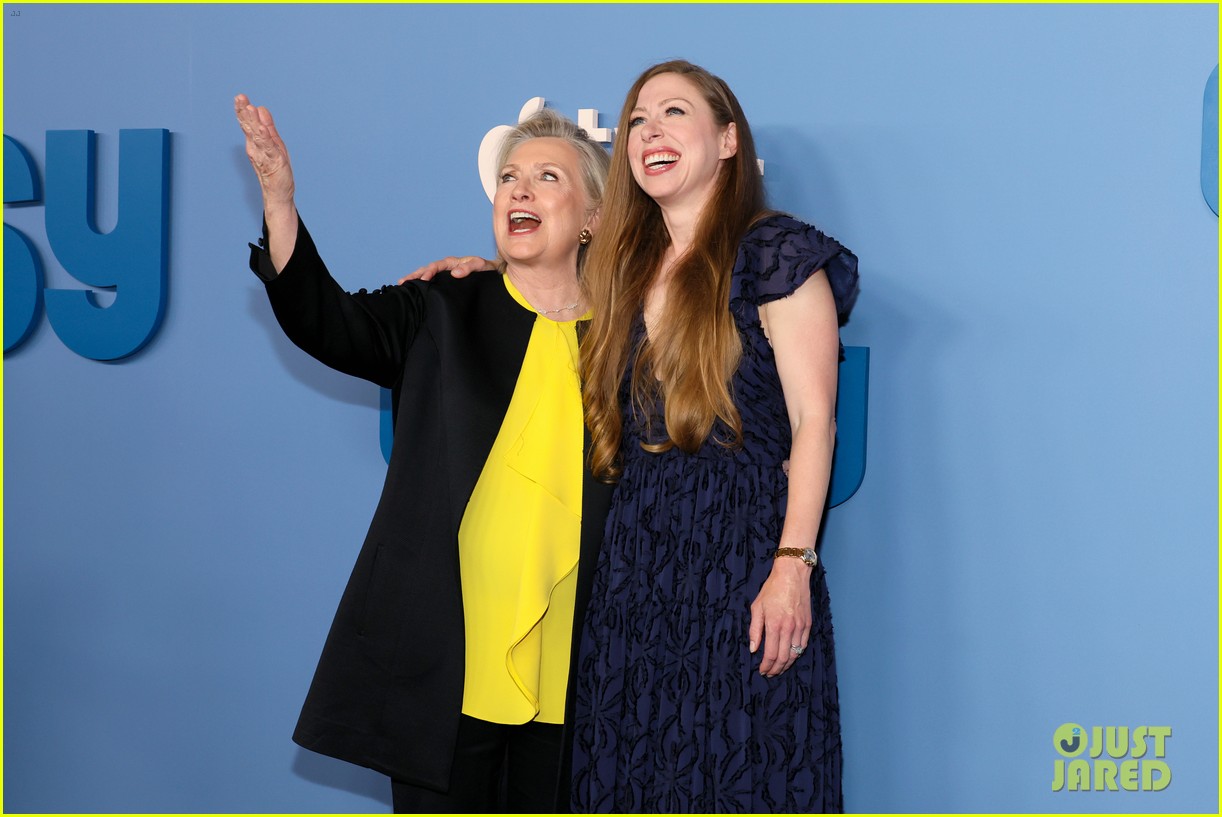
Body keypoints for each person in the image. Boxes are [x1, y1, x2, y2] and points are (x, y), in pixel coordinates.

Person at [234, 95, 613, 813]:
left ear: (594, 217)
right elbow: (328, 322)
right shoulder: (445, 304)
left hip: (577, 675)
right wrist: (281, 201)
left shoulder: (630, 344)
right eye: (509, 178)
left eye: (548, 177)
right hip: (446, 673)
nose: (520, 189)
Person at [571, 60, 860, 812]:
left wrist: (792, 564)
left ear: (729, 141)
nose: (650, 132)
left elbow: (814, 423)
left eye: (673, 112)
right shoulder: (620, 269)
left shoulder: (776, 256)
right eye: (636, 119)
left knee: (742, 774)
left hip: (743, 565)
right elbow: (530, 286)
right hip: (637, 575)